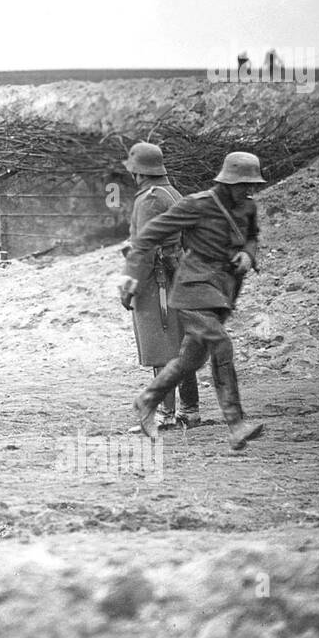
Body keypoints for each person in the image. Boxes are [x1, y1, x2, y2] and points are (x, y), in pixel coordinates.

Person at [119, 152, 267, 451]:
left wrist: (248, 255)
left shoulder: (248, 207)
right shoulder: (196, 204)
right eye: (242, 184)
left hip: (221, 291)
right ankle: (236, 424)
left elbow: (252, 236)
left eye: (251, 184)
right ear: (225, 182)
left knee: (190, 360)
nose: (247, 190)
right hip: (190, 288)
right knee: (221, 343)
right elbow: (149, 234)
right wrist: (131, 275)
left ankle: (147, 400)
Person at [119, 142, 200, 431]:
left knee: (161, 347)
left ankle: (166, 415)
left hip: (158, 281)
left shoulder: (150, 199)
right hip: (177, 275)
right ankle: (189, 411)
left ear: (140, 173)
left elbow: (144, 248)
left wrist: (128, 287)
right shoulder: (171, 192)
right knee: (179, 344)